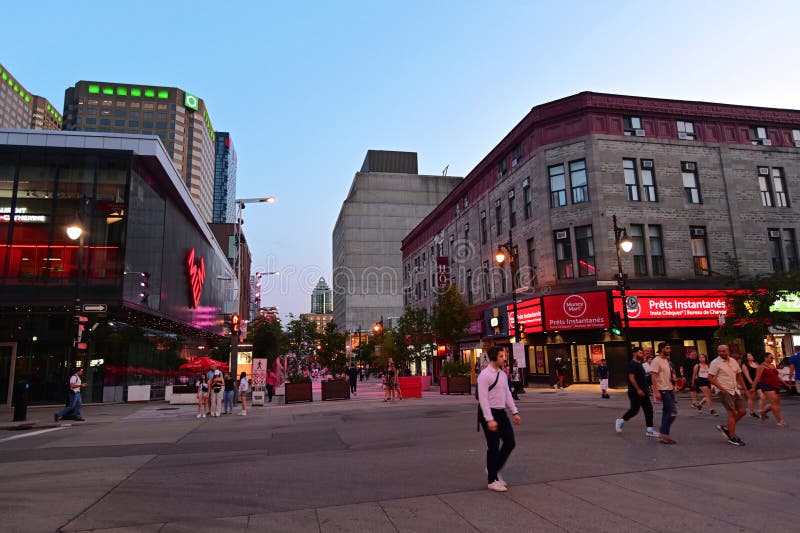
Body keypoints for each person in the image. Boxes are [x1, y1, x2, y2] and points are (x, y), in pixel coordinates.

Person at [477, 346, 521, 492]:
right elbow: (483, 399)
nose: (504, 358)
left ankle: (493, 469)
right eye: (501, 356)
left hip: (501, 412)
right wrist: (489, 419)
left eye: (504, 355)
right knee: (493, 446)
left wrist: (514, 412)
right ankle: (492, 480)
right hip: (488, 413)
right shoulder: (484, 375)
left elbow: (507, 394)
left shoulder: (502, 374)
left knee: (510, 442)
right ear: (494, 357)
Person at [708, 344, 748, 446]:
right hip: (724, 391)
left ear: (728, 351)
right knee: (732, 413)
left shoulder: (733, 361)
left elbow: (739, 375)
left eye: (723, 351)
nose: (721, 353)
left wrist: (745, 389)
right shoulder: (715, 363)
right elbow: (710, 377)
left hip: (735, 390)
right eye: (719, 351)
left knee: (743, 411)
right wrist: (721, 388)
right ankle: (732, 437)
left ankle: (726, 427)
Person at [615, 347, 658, 437]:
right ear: (634, 353)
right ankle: (621, 420)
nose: (642, 354)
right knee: (634, 410)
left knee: (649, 409)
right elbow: (631, 378)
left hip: (644, 391)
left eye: (642, 352)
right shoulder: (632, 364)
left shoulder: (640, 364)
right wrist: (638, 389)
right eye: (640, 352)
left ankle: (649, 429)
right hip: (635, 391)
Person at [750, 352, 790, 426]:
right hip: (767, 386)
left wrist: (785, 384)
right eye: (771, 357)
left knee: (776, 403)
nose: (772, 359)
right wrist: (753, 387)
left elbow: (777, 376)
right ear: (765, 358)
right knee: (774, 403)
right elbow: (757, 377)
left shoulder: (772, 366)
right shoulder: (761, 366)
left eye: (773, 358)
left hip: (776, 385)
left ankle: (763, 411)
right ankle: (779, 420)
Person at [650, 342, 678, 444]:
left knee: (667, 412)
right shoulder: (656, 361)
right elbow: (653, 376)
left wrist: (673, 380)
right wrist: (656, 392)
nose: (669, 350)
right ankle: (664, 433)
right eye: (667, 348)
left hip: (669, 388)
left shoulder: (667, 360)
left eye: (669, 348)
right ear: (661, 349)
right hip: (663, 389)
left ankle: (663, 435)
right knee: (673, 412)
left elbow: (667, 374)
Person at [741, 353, 762, 418]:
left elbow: (759, 373)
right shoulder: (744, 365)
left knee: (762, 396)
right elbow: (747, 376)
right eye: (749, 356)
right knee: (752, 398)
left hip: (757, 381)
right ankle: (752, 412)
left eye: (751, 355)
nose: (752, 356)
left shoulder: (756, 363)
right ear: (746, 358)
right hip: (750, 382)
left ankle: (762, 411)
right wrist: (752, 383)